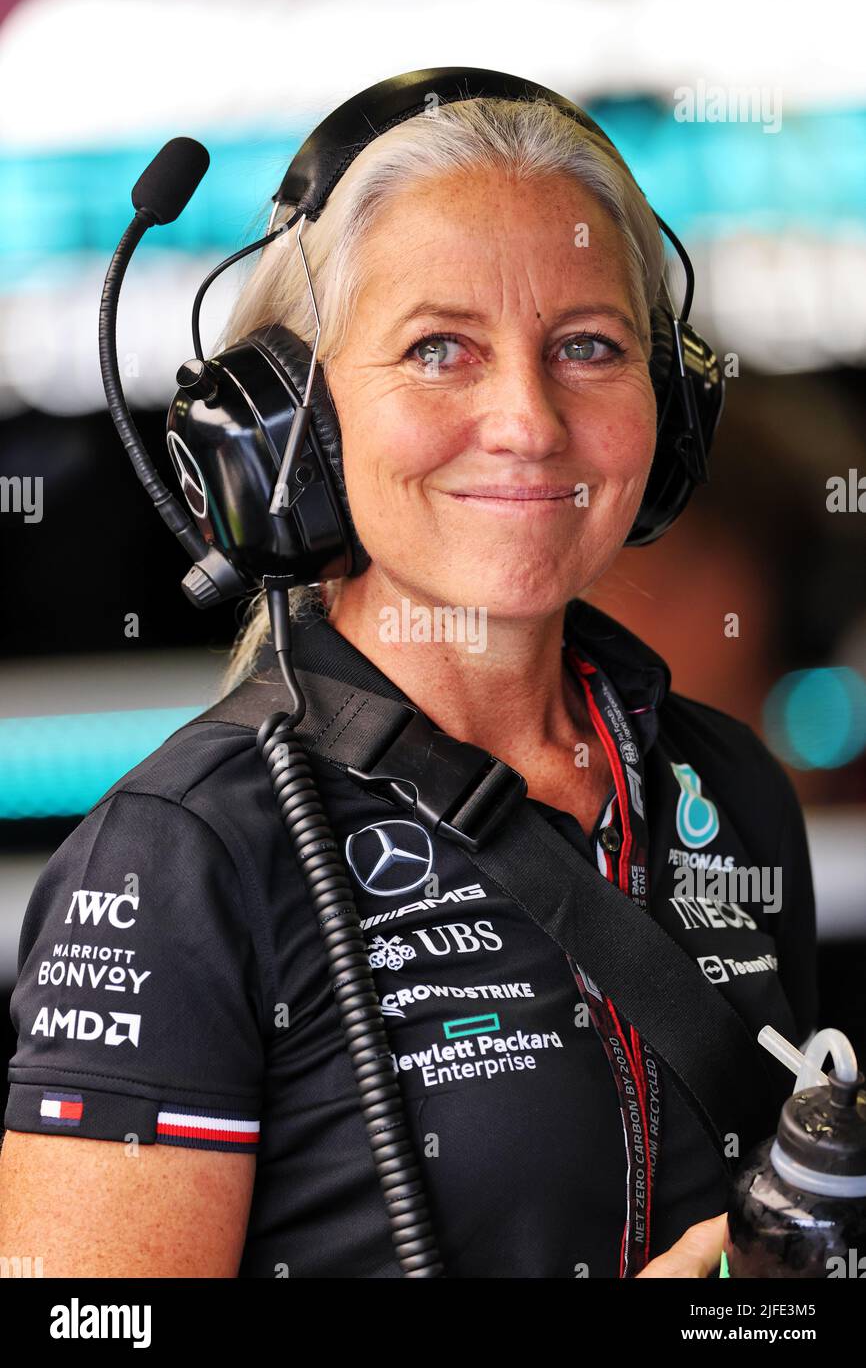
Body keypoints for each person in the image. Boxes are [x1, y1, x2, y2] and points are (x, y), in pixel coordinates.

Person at [0, 90, 817, 1278]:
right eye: (440, 349)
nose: (527, 422)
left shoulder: (724, 786)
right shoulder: (181, 857)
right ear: (293, 423)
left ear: (671, 403)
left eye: (586, 345)